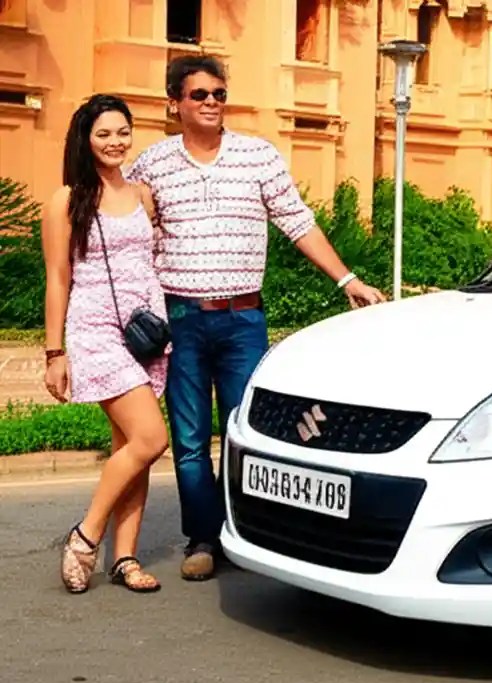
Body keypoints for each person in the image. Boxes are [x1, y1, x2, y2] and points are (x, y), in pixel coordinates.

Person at [125, 54, 386, 582]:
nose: (212, 104)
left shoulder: (258, 156)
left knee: (249, 432)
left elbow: (297, 223)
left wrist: (347, 280)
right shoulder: (152, 164)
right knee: (192, 438)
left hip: (244, 319)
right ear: (174, 104)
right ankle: (203, 537)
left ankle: (243, 530)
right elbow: (128, 232)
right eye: (200, 95)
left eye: (219, 94)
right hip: (183, 321)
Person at [44, 94, 170, 594]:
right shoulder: (68, 199)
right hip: (95, 330)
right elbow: (57, 277)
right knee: (149, 439)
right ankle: (85, 535)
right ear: (86, 139)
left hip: (145, 330)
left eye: (123, 132)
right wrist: (55, 353)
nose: (115, 142)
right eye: (104, 134)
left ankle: (126, 559)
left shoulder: (141, 195)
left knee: (130, 448)